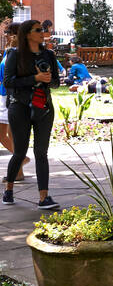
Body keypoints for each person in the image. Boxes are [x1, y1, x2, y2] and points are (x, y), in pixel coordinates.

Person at [2, 20, 60, 208]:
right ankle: (9, 190)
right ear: (27, 34)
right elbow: (8, 82)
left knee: (41, 152)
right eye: (38, 30)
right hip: (20, 107)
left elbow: (56, 83)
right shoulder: (15, 54)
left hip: (43, 107)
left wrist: (49, 79)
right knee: (20, 152)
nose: (42, 32)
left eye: (43, 29)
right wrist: (34, 78)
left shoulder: (48, 54)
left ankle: (44, 197)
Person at [0, 32, 29, 179]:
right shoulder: (9, 53)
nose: (8, 36)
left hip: (9, 98)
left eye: (10, 33)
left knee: (11, 135)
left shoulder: (15, 56)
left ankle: (18, 169)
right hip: (6, 97)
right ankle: (19, 165)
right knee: (6, 135)